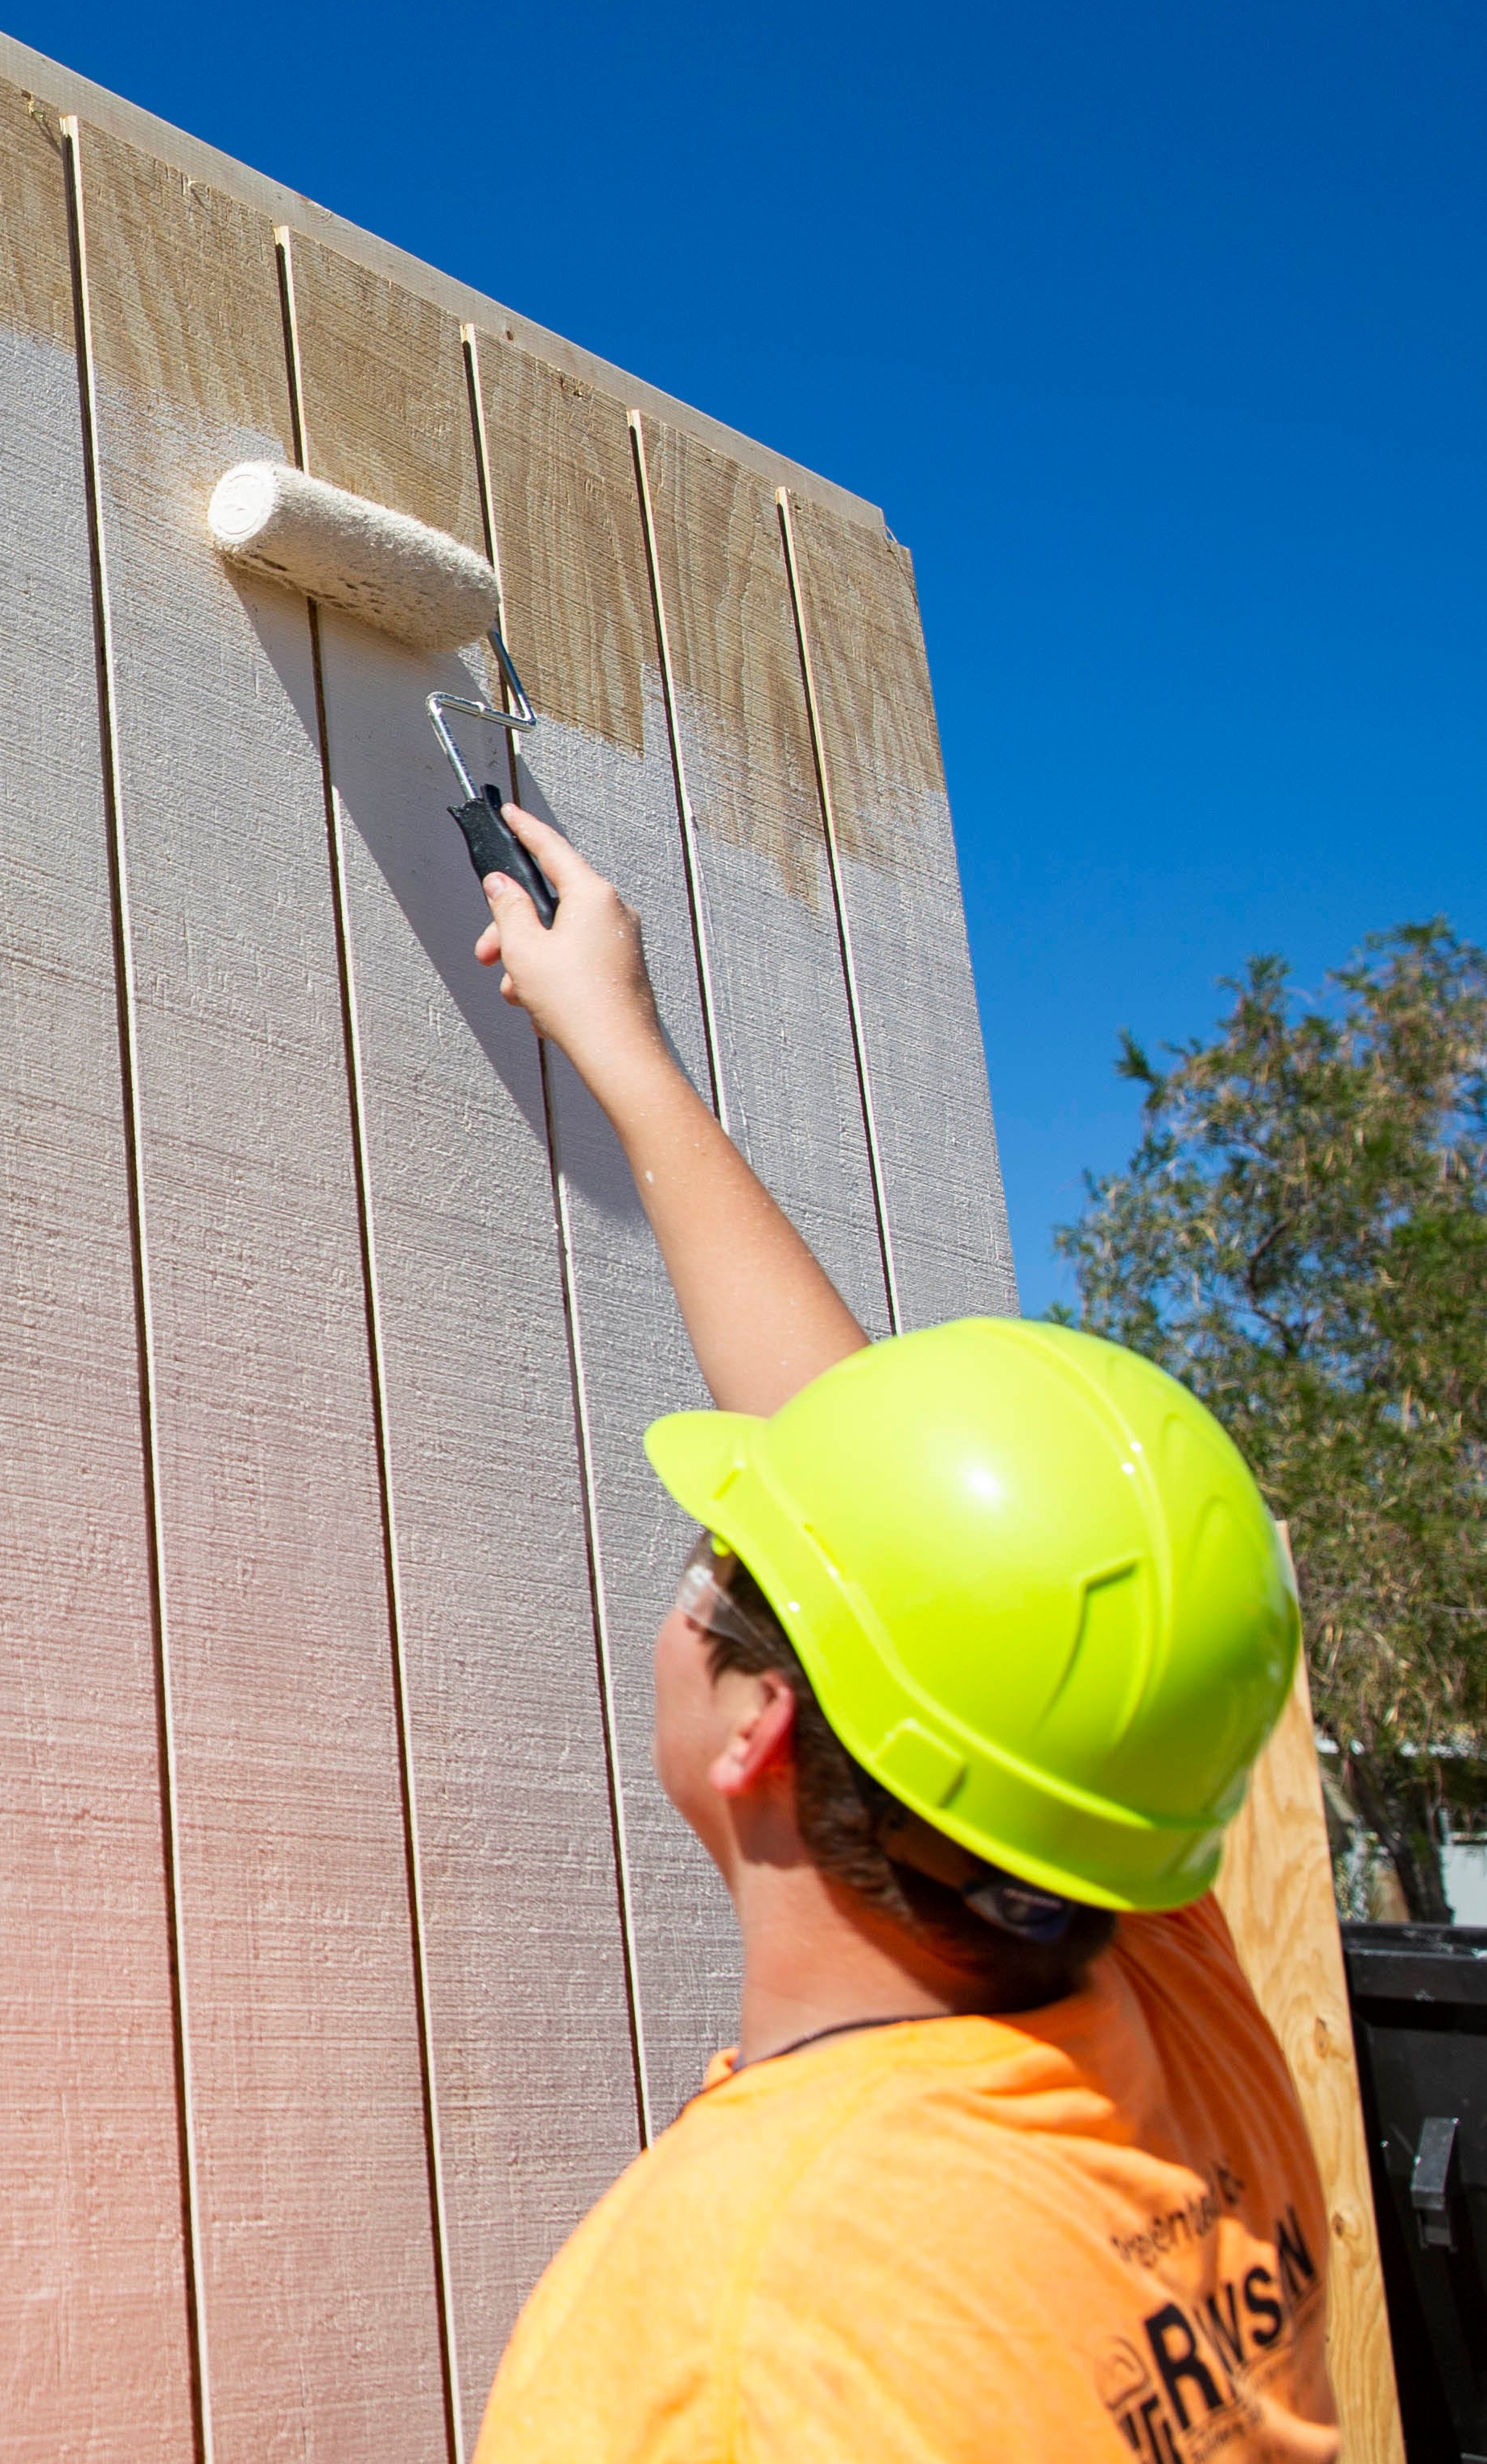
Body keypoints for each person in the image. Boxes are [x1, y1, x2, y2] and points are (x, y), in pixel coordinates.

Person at [462, 800, 1332, 2462]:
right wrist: (620, 1046)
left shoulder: (709, 2328)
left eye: (716, 1553)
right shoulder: (1165, 2020)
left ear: (760, 1723)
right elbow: (908, 1511)